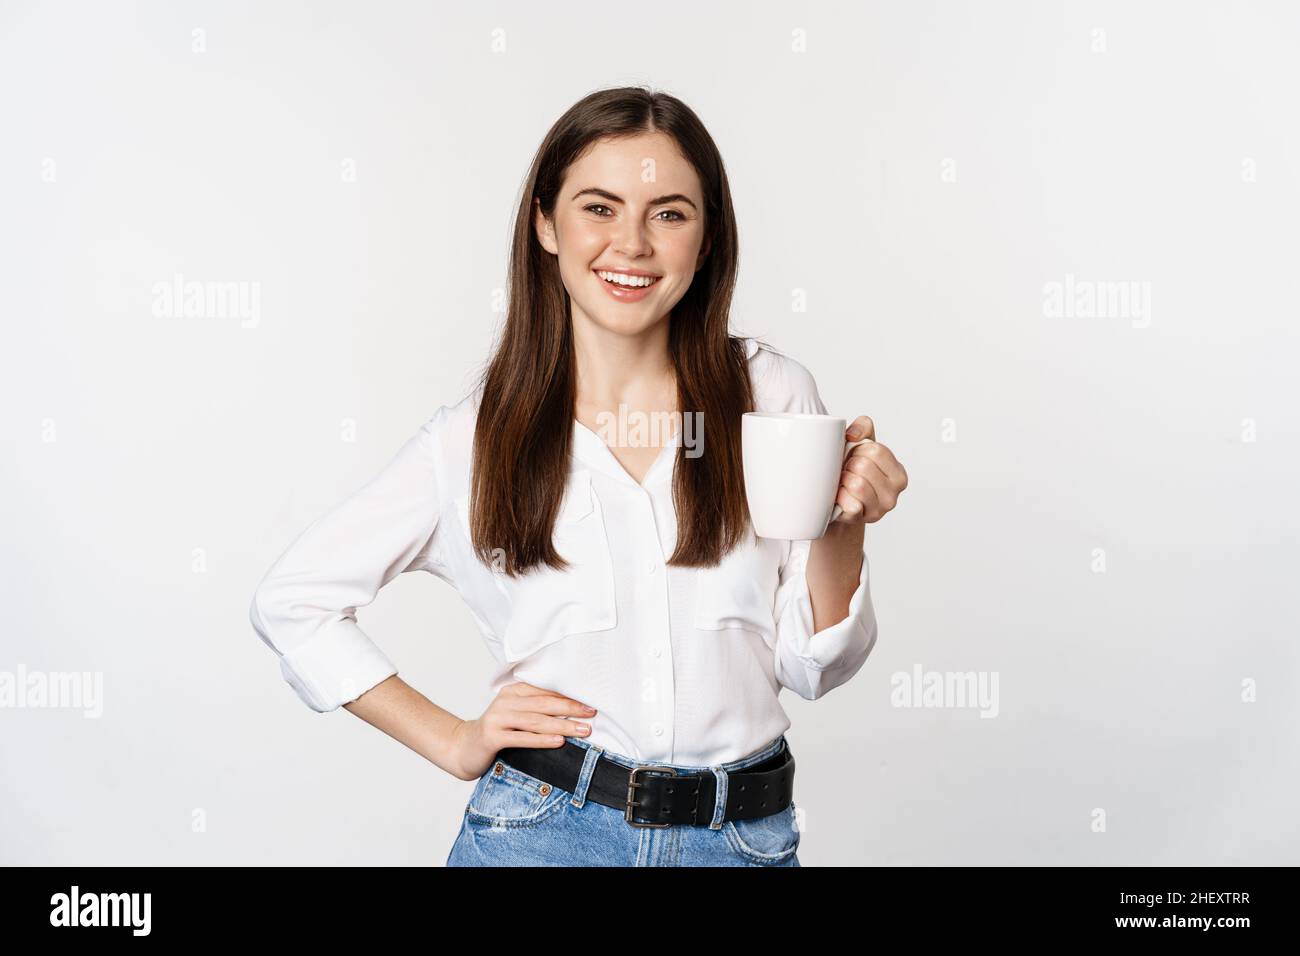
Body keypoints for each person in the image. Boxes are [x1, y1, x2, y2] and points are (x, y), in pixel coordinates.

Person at [249, 85, 908, 866]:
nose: (631, 244)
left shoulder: (773, 398)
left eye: (669, 213)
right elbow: (294, 602)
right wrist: (454, 740)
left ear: (707, 238)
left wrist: (843, 527)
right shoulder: (470, 439)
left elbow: (813, 667)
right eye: (599, 207)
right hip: (539, 835)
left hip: (740, 839)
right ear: (545, 223)